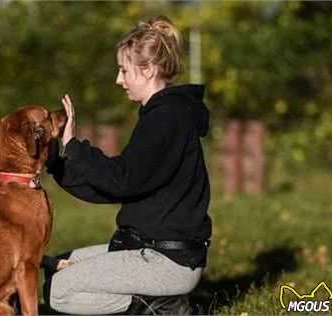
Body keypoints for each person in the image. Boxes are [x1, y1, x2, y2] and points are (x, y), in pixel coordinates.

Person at [41, 15, 212, 315]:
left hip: (166, 262)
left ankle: (156, 308)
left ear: (147, 70)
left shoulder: (166, 119)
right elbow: (114, 187)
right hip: (146, 249)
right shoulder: (160, 115)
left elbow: (121, 179)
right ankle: (152, 302)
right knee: (58, 267)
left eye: (123, 70)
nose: (118, 80)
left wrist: (74, 146)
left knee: (57, 291)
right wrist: (58, 164)